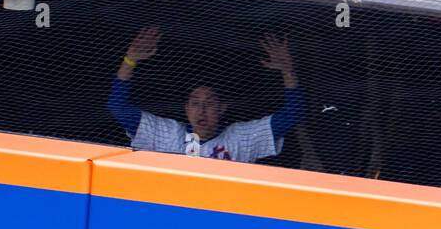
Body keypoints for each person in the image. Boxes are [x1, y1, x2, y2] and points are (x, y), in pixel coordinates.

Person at [109, 26, 305, 163]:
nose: (201, 111)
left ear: (222, 108)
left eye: (209, 104)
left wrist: (288, 71)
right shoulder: (166, 133)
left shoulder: (242, 137)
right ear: (186, 108)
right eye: (195, 103)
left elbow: (293, 115)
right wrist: (129, 61)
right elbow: (117, 108)